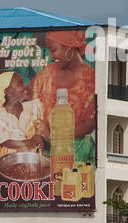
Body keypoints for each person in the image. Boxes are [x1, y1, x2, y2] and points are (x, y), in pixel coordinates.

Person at [32, 29, 98, 164]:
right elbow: (34, 108)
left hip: (77, 156)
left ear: (69, 49)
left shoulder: (91, 79)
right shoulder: (45, 75)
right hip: (45, 155)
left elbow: (89, 124)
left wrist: (52, 131)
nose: (50, 56)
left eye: (54, 50)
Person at [0, 70, 48, 158]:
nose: (24, 87)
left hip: (35, 164)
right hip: (9, 166)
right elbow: (5, 142)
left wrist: (44, 129)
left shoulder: (35, 106)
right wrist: (31, 141)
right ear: (7, 91)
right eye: (19, 84)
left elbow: (51, 132)